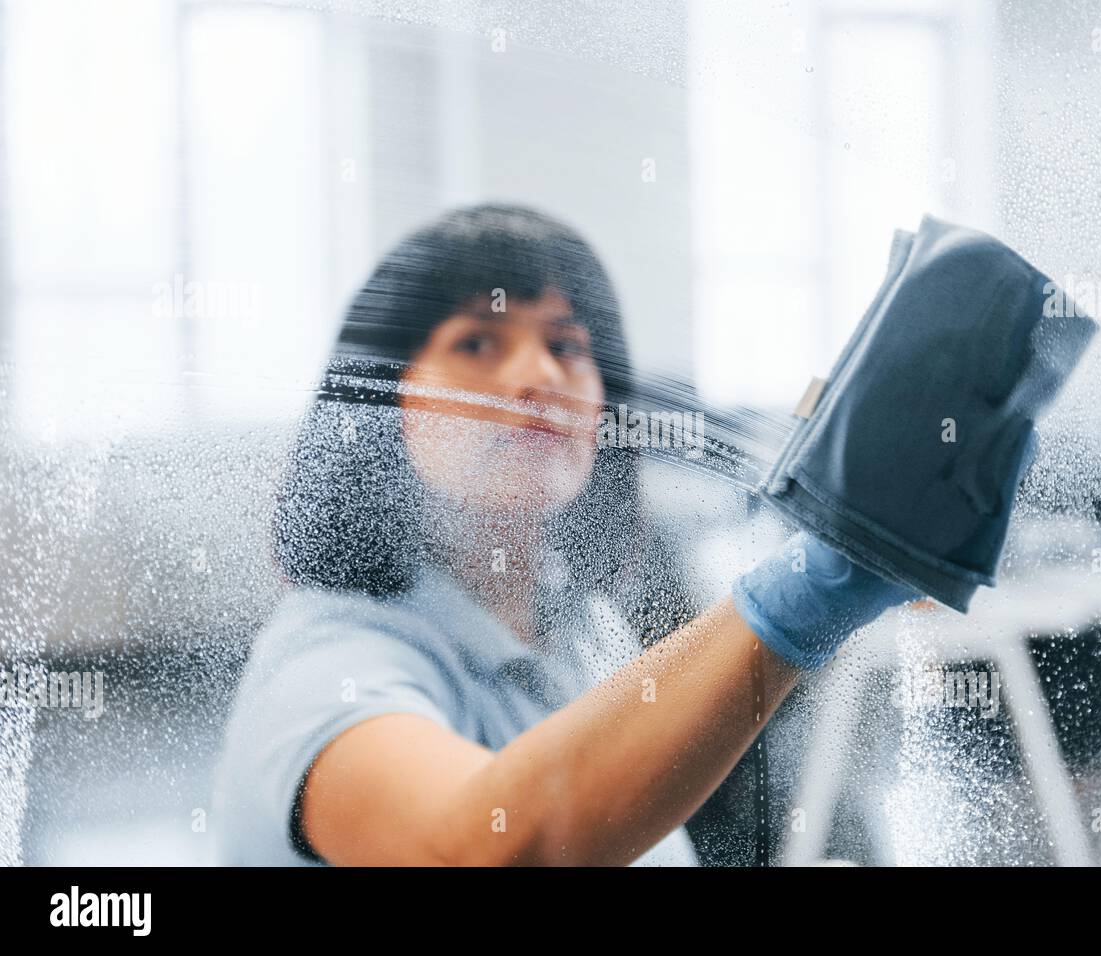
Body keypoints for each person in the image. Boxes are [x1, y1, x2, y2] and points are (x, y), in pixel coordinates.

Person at [211, 202, 916, 866]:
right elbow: (476, 849)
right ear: (378, 402)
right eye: (477, 342)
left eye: (566, 345)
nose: (538, 375)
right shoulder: (329, 665)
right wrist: (801, 597)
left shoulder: (585, 629)